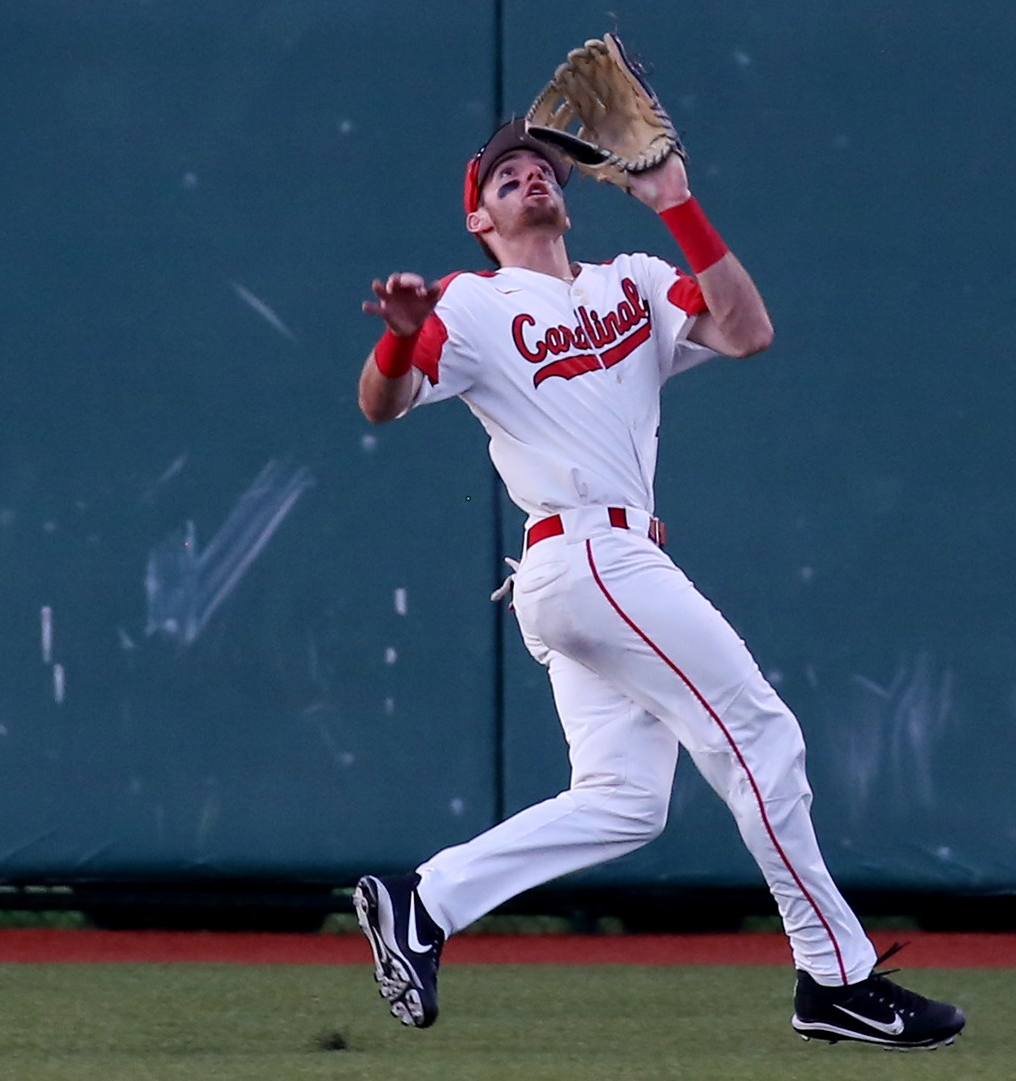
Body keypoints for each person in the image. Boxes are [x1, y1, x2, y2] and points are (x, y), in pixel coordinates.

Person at [350, 118, 965, 1050]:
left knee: (626, 801)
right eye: (505, 175)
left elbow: (750, 332)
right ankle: (835, 976)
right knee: (761, 736)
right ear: (480, 217)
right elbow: (380, 404)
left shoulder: (631, 280)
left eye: (541, 167)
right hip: (586, 555)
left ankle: (424, 899)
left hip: (598, 565)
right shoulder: (474, 300)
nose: (528, 177)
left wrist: (675, 201)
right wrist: (400, 341)